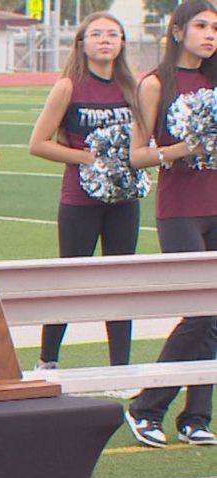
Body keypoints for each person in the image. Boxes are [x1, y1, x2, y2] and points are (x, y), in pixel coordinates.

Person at [123, 0, 217, 448]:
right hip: (180, 208)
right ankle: (146, 407)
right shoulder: (156, 83)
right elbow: (138, 155)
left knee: (215, 317)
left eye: (216, 27)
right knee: (201, 311)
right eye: (201, 25)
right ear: (178, 31)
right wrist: (184, 148)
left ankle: (196, 417)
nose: (210, 34)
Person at [28, 13, 140, 372]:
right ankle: (48, 360)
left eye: (113, 34)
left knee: (119, 281)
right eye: (96, 34)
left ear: (122, 42)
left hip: (124, 199)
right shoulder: (69, 86)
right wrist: (88, 157)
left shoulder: (132, 87)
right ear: (82, 43)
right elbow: (38, 144)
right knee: (70, 279)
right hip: (80, 198)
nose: (105, 40)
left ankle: (120, 368)